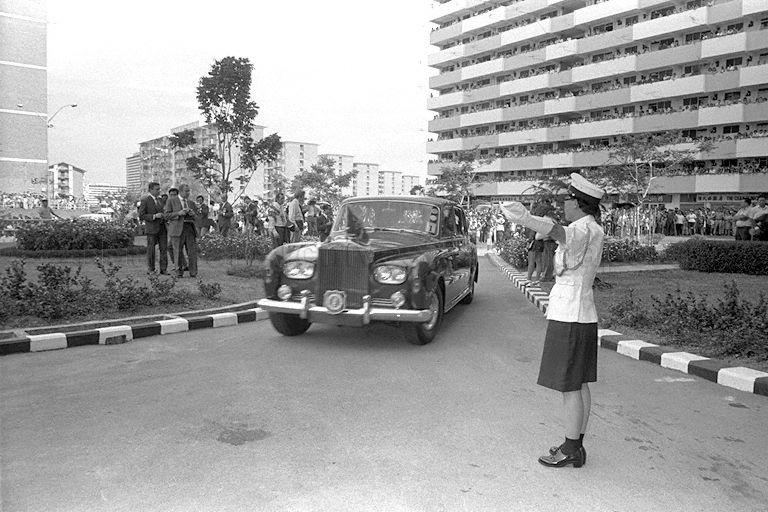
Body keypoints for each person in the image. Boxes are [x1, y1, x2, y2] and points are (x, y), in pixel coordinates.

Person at [500, 173, 605, 469]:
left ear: (579, 203)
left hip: (570, 317)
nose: (564, 203)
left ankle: (571, 449)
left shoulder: (582, 230)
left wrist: (526, 218)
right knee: (579, 383)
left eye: (568, 199)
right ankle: (576, 445)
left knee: (569, 386)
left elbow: (556, 232)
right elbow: (560, 234)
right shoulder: (591, 228)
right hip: (581, 314)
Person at [165, 184, 198, 278]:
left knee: (192, 252)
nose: (188, 193)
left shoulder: (191, 203)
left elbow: (196, 217)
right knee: (177, 251)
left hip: (189, 229)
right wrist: (178, 213)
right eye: (186, 191)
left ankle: (193, 272)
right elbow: (166, 215)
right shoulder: (171, 201)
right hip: (177, 229)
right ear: (181, 191)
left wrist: (192, 214)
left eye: (189, 191)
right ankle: (179, 272)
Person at [138, 182, 168, 274]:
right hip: (151, 228)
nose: (159, 191)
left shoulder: (160, 200)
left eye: (159, 189)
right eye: (157, 189)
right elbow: (141, 215)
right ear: (150, 190)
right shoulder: (145, 200)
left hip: (162, 228)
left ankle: (163, 269)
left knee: (163, 249)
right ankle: (151, 269)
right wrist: (154, 216)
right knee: (151, 250)